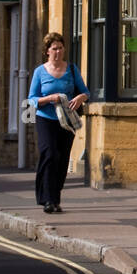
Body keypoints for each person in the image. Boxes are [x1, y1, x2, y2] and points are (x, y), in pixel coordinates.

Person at [28, 32, 90, 214]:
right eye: (54, 48)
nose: (58, 52)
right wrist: (49, 98)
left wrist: (80, 97)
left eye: (60, 48)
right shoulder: (40, 72)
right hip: (46, 118)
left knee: (62, 159)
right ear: (47, 51)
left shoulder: (71, 69)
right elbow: (31, 99)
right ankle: (46, 199)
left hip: (67, 121)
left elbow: (86, 92)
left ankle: (55, 198)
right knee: (49, 154)